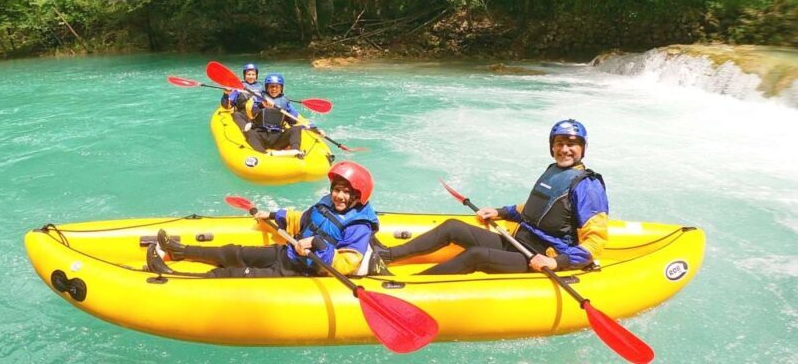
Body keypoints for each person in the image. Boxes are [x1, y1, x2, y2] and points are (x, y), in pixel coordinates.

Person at [375, 119, 608, 275]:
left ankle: (411, 285)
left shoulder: (588, 185)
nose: (565, 149)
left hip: (540, 256)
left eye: (572, 145)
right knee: (452, 227)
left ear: (582, 148)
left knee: (476, 255)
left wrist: (555, 262)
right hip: (519, 241)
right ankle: (386, 255)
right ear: (552, 146)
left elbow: (595, 242)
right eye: (559, 143)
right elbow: (537, 207)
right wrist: (501, 212)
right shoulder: (555, 170)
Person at [147, 161, 389, 277]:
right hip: (288, 252)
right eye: (337, 189)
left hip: (303, 271)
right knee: (232, 252)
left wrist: (317, 244)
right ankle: (179, 250)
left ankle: (172, 274)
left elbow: (347, 264)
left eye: (346, 192)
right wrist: (273, 215)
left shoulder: (359, 225)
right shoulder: (327, 202)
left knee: (231, 274)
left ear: (358, 195)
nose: (339, 196)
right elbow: (304, 219)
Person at [242, 73, 306, 157]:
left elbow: (294, 119)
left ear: (281, 88)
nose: (274, 89)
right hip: (261, 135)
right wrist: (261, 105)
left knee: (296, 129)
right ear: (267, 88)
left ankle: (296, 151)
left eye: (277, 86)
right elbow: (250, 113)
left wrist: (314, 128)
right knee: (249, 133)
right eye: (271, 86)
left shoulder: (285, 102)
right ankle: (263, 154)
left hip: (277, 137)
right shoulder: (258, 98)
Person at [222, 63, 265, 131]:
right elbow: (226, 106)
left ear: (256, 75)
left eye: (253, 74)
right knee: (236, 114)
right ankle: (246, 129)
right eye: (248, 74)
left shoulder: (261, 87)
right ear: (244, 75)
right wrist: (226, 94)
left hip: (258, 113)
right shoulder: (238, 87)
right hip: (243, 114)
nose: (251, 77)